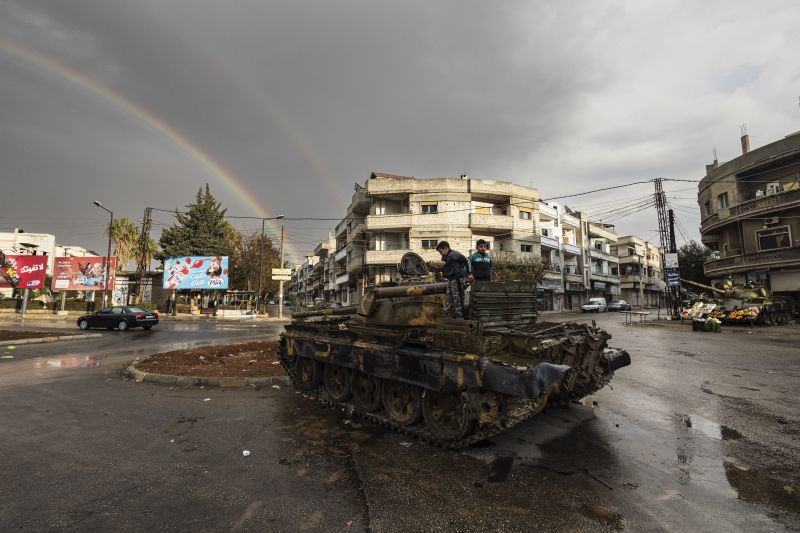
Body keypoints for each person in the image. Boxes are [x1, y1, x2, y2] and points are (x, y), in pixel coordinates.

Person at [436, 241, 468, 319]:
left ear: (446, 248)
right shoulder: (446, 257)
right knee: (449, 301)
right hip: (451, 280)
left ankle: (460, 320)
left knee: (458, 301)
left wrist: (467, 273)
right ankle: (450, 319)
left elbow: (466, 261)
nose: (441, 253)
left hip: (457, 279)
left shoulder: (454, 254)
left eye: (441, 251)